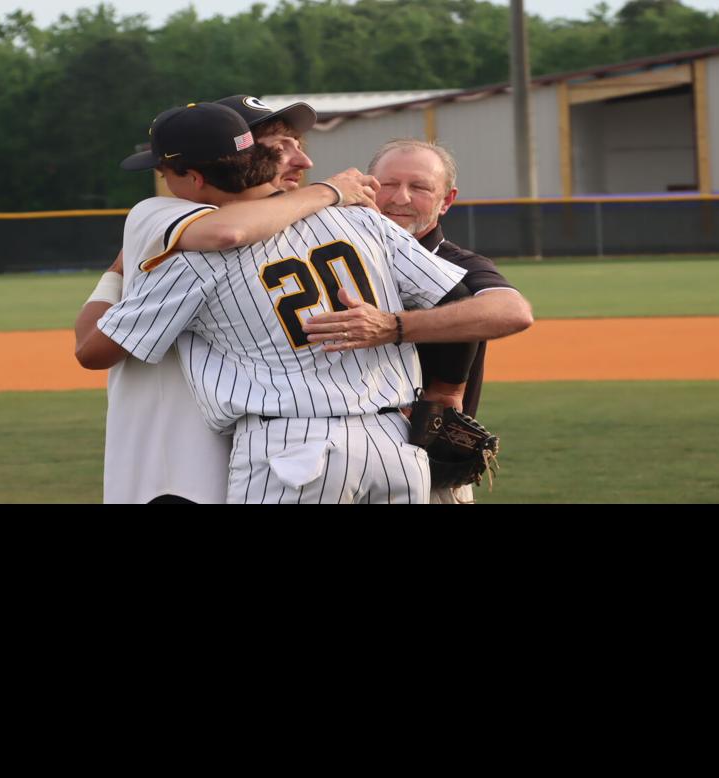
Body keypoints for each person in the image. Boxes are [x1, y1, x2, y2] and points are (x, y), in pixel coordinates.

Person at [76, 102, 532, 504]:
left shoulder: (194, 257)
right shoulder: (360, 221)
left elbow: (94, 351)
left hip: (292, 449)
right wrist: (445, 390)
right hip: (397, 446)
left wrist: (119, 272)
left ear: (190, 177)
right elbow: (458, 299)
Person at [76, 96, 377, 504]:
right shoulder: (163, 214)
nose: (298, 160)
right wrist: (331, 191)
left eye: (297, 144)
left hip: (275, 458)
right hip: (170, 461)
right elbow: (226, 233)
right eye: (277, 145)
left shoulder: (306, 222)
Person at [366, 139, 520, 504]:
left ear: (447, 200)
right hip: (338, 458)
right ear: (368, 188)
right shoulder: (334, 259)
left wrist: (395, 326)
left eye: (419, 187)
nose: (400, 198)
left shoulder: (463, 266)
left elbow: (511, 312)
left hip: (427, 465)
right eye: (388, 184)